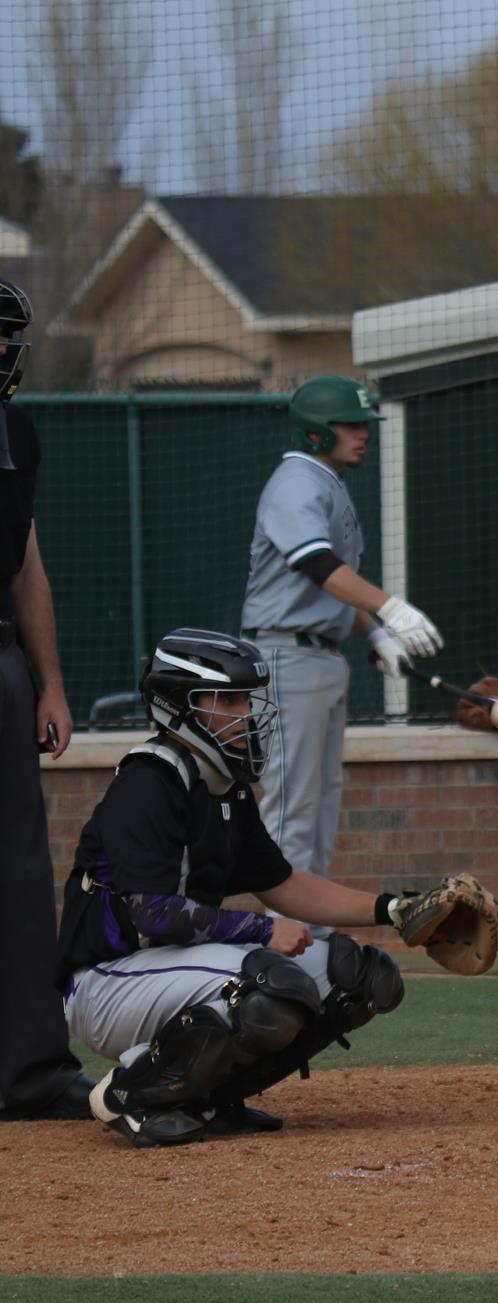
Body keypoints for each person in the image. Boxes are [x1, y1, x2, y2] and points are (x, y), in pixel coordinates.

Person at [59, 630, 413, 1147]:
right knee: (270, 986)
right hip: (106, 981)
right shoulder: (147, 783)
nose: (243, 713)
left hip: (173, 972)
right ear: (179, 706)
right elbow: (152, 915)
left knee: (358, 976)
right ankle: (132, 1093)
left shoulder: (224, 786)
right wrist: (260, 930)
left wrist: (396, 909)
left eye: (244, 699)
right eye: (225, 699)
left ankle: (207, 1097)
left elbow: (284, 884)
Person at [241, 375, 442, 878]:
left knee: (321, 805)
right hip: (286, 657)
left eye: (363, 423)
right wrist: (391, 608)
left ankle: (310, 930)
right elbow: (315, 564)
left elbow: (330, 583)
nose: (363, 432)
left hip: (317, 657)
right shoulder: (296, 481)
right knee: (292, 806)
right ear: (315, 431)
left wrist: (373, 633)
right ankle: (283, 935)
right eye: (350, 424)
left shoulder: (326, 482)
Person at [0, 278, 91, 1121]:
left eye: (6, 337)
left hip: (2, 666)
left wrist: (49, 681)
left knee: (22, 872)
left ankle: (28, 1073)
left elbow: (26, 563)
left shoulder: (17, 436)